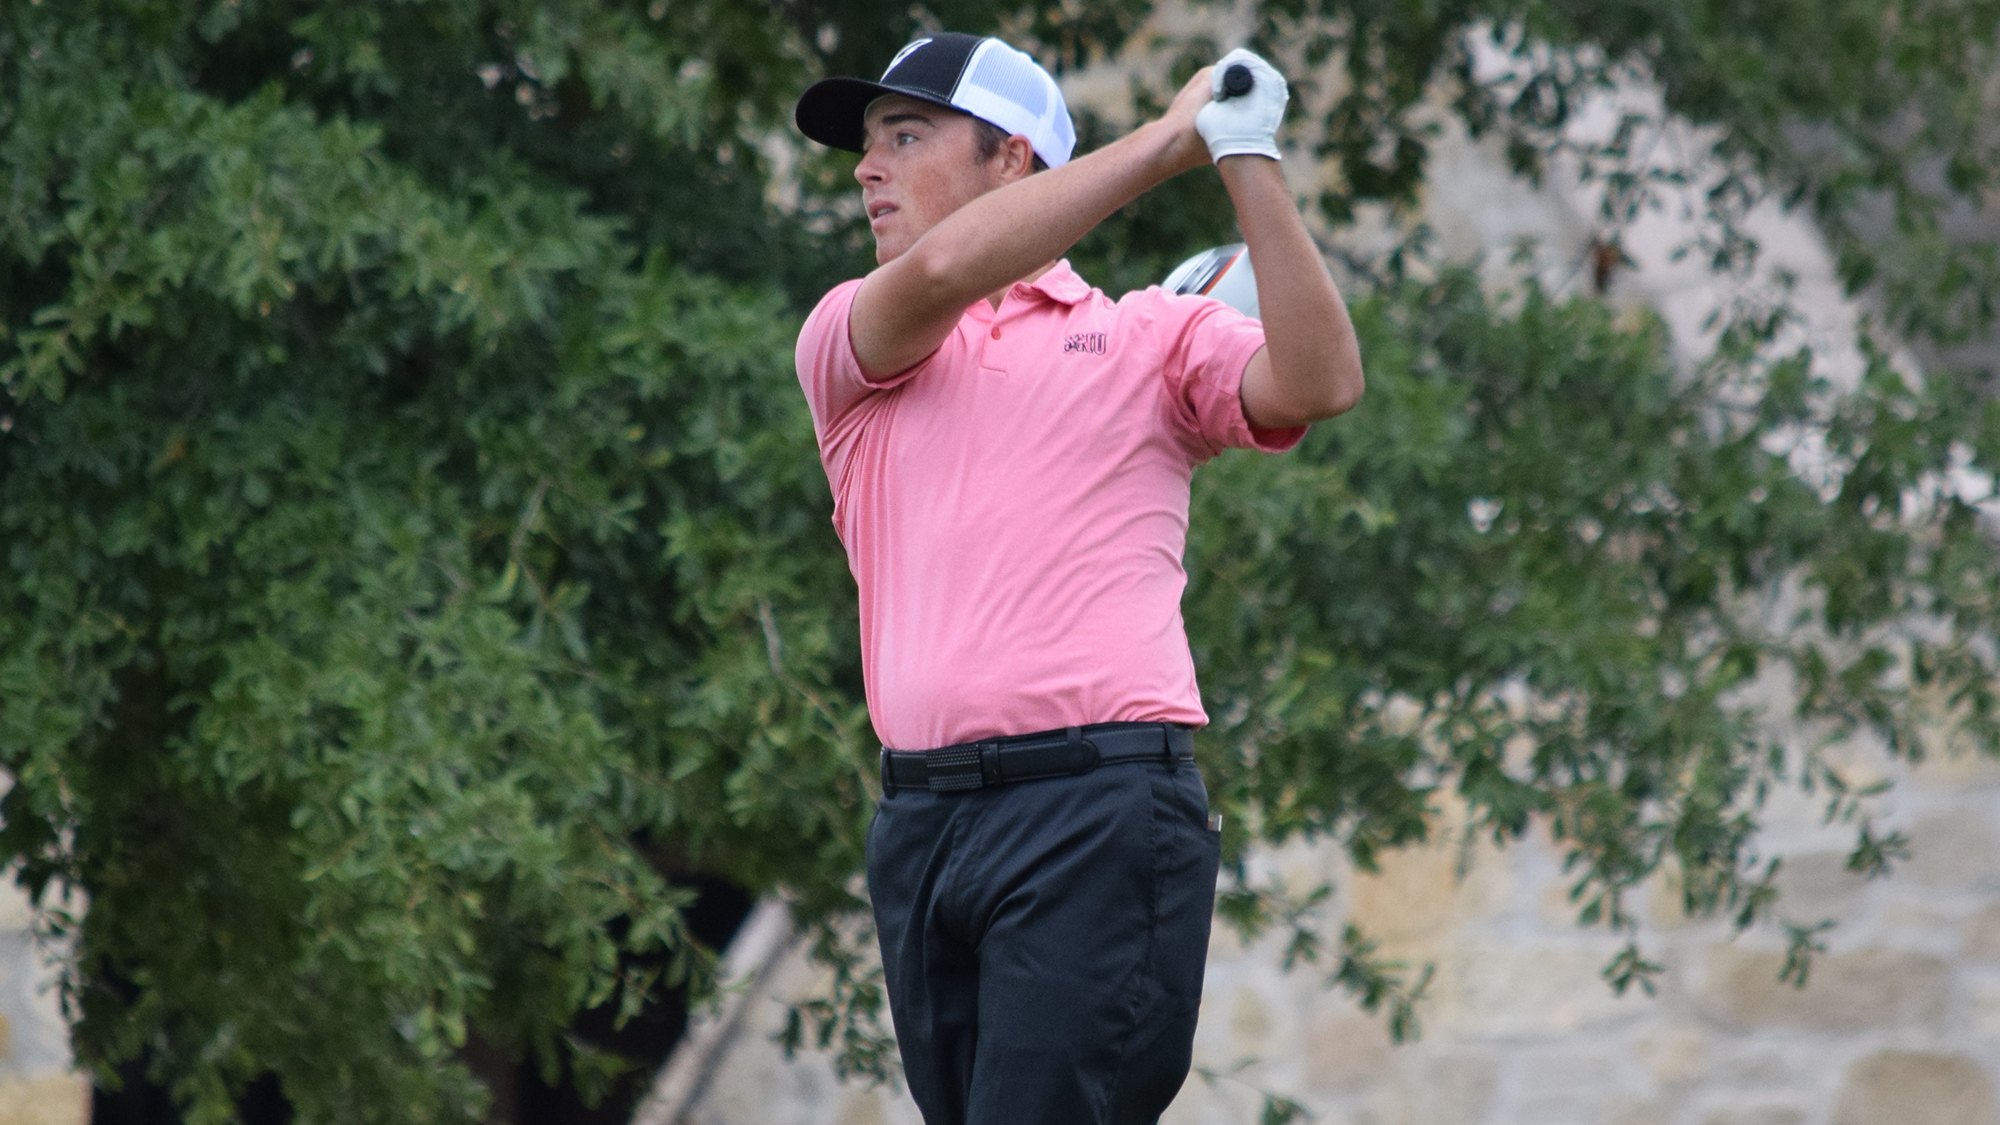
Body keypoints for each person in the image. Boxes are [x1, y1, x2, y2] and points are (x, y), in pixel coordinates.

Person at [791, 31, 1363, 1125]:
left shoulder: (1148, 336)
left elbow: (1319, 379)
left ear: (1011, 161)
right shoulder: (850, 338)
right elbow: (955, 269)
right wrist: (1167, 141)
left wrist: (1242, 155)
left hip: (1093, 812)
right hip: (920, 827)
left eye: (903, 137)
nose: (866, 169)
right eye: (864, 146)